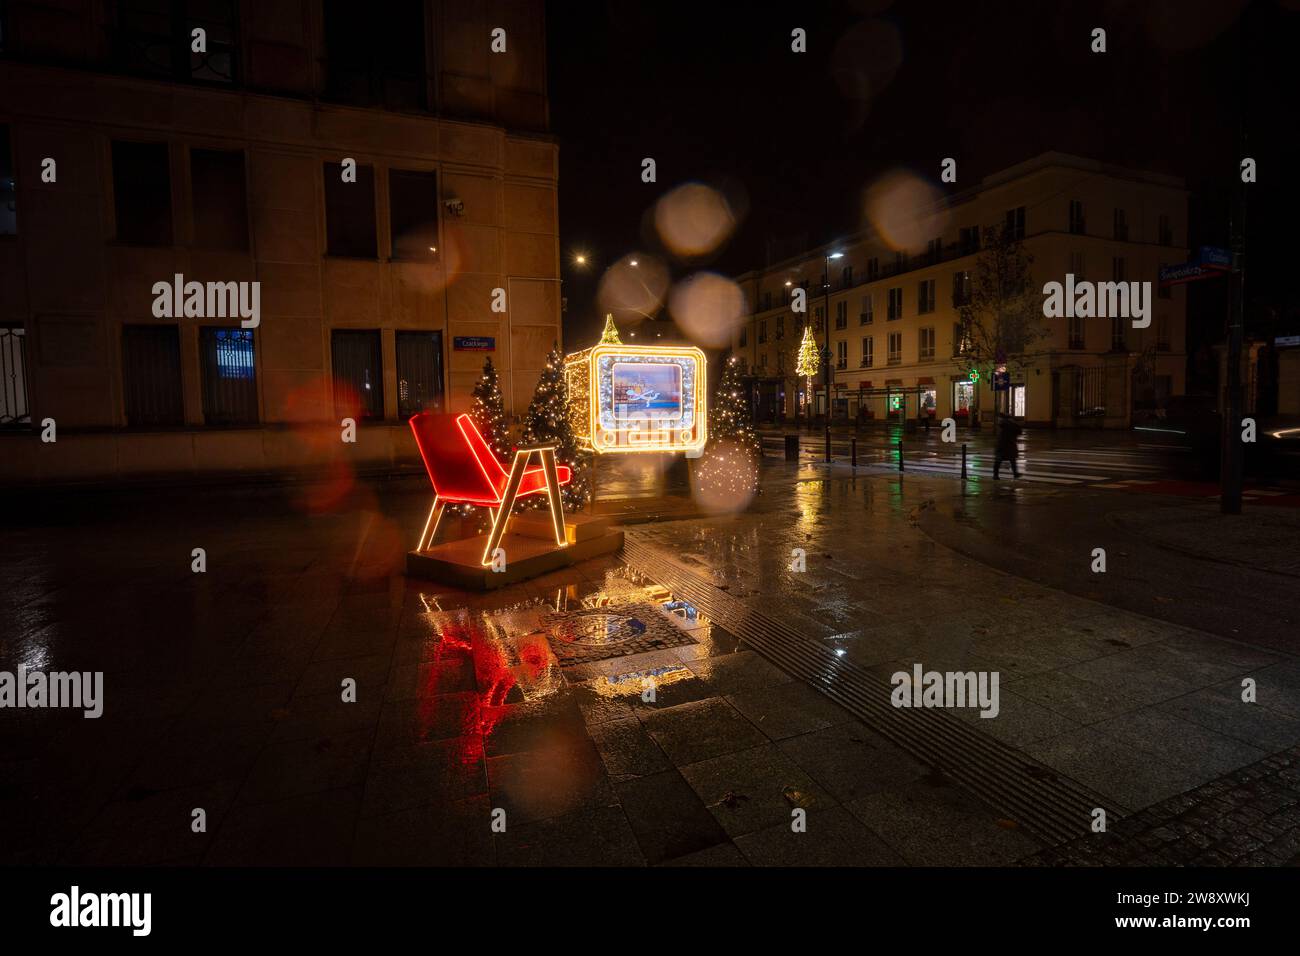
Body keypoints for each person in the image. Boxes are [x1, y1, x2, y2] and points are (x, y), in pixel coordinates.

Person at [993, 415, 1021, 479]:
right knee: (1012, 460)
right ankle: (1015, 473)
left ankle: (995, 475)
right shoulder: (1012, 425)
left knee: (998, 461)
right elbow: (1019, 431)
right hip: (1009, 445)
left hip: (1002, 445)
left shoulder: (1003, 424)